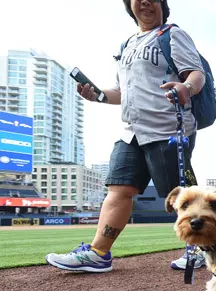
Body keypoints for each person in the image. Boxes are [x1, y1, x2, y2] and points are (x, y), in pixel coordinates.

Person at [46, 0, 207, 273]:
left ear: (162, 5)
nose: (145, 1)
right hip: (132, 131)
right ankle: (98, 253)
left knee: (181, 197)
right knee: (119, 189)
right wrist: (97, 95)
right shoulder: (127, 46)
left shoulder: (171, 34)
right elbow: (121, 92)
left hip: (167, 128)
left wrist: (186, 87)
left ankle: (204, 249)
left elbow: (196, 73)